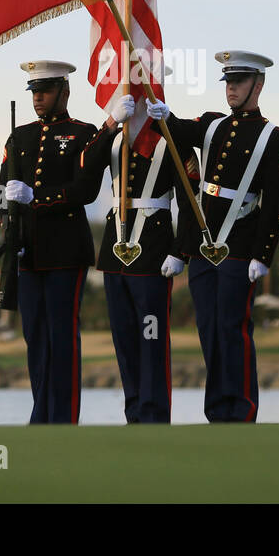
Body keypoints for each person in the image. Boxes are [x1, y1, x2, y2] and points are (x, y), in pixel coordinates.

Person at [146, 51, 279, 423]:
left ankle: (241, 410)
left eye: (239, 82)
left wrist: (263, 253)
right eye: (228, 82)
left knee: (233, 330)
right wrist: (164, 114)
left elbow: (273, 201)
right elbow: (179, 133)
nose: (232, 89)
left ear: (258, 85)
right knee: (208, 330)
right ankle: (217, 411)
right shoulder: (211, 125)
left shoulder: (274, 136)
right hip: (204, 247)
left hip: (239, 245)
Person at [75, 66, 191, 423]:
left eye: (144, 89)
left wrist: (180, 250)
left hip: (154, 254)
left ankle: (155, 413)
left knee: (151, 339)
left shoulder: (173, 139)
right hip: (114, 254)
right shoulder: (114, 137)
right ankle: (134, 411)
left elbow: (189, 200)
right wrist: (110, 123)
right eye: (132, 89)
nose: (137, 96)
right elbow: (84, 171)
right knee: (125, 340)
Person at [0, 60, 99, 424]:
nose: (37, 98)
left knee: (62, 337)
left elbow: (84, 190)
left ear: (64, 91)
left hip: (65, 251)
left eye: (44, 91)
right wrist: (9, 229)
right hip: (28, 253)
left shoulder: (82, 133)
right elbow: (4, 191)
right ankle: (41, 415)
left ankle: (64, 417)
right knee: (35, 339)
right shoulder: (20, 136)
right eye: (34, 92)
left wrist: (36, 197)